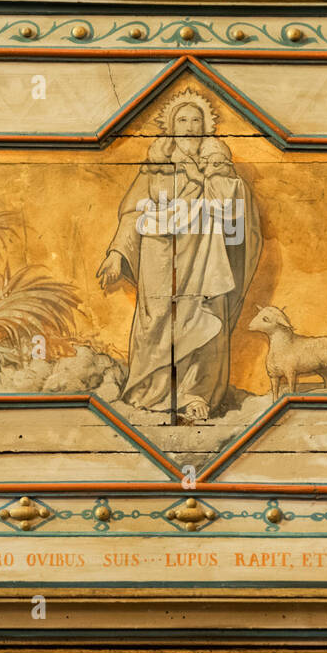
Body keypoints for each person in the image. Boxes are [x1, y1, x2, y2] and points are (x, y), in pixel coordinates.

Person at [97, 94, 261, 420]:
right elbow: (132, 213)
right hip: (158, 258)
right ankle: (152, 391)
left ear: (205, 126)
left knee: (204, 319)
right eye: (182, 120)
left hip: (204, 256)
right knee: (156, 321)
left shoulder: (216, 160)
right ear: (171, 126)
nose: (189, 126)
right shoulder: (155, 163)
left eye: (196, 120)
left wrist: (201, 177)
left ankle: (196, 394)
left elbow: (231, 204)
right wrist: (116, 253)